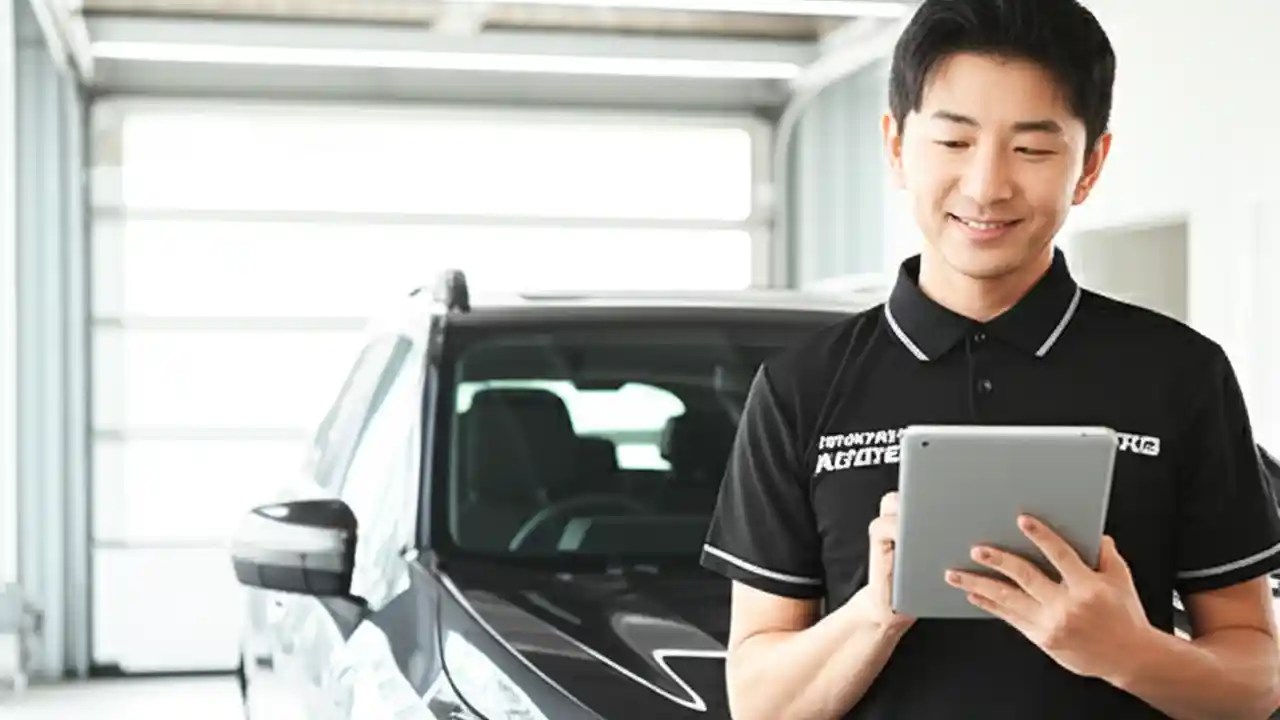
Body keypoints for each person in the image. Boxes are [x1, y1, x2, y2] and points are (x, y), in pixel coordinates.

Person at [698, 1, 1280, 718]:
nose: (986, 186)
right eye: (952, 142)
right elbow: (759, 704)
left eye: (1032, 149)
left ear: (1090, 164)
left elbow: (1257, 683)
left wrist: (1127, 650)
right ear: (895, 146)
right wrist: (879, 608)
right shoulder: (800, 389)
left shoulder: (1182, 375)